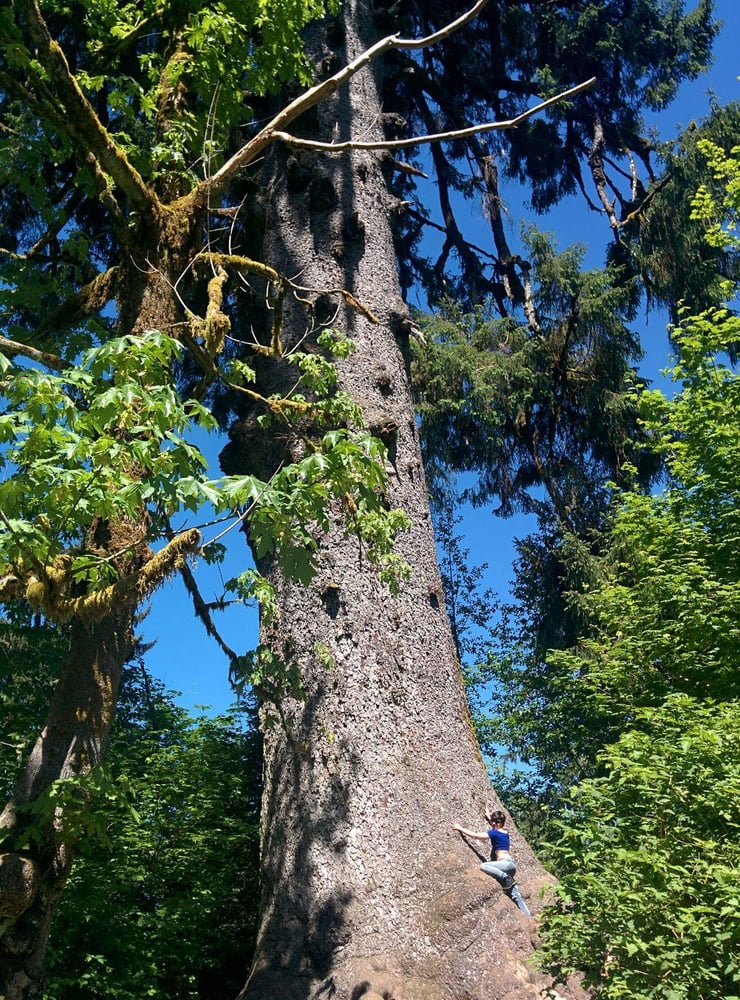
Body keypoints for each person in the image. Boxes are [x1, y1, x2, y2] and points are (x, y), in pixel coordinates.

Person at [452, 808, 532, 917]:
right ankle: (529, 917)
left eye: (496, 822)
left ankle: (504, 877)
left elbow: (476, 835)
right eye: (493, 821)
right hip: (511, 867)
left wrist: (460, 828)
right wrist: (489, 817)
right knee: (516, 896)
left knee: (483, 865)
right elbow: (497, 829)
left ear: (501, 823)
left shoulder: (494, 833)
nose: (493, 823)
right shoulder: (505, 833)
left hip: (504, 865)